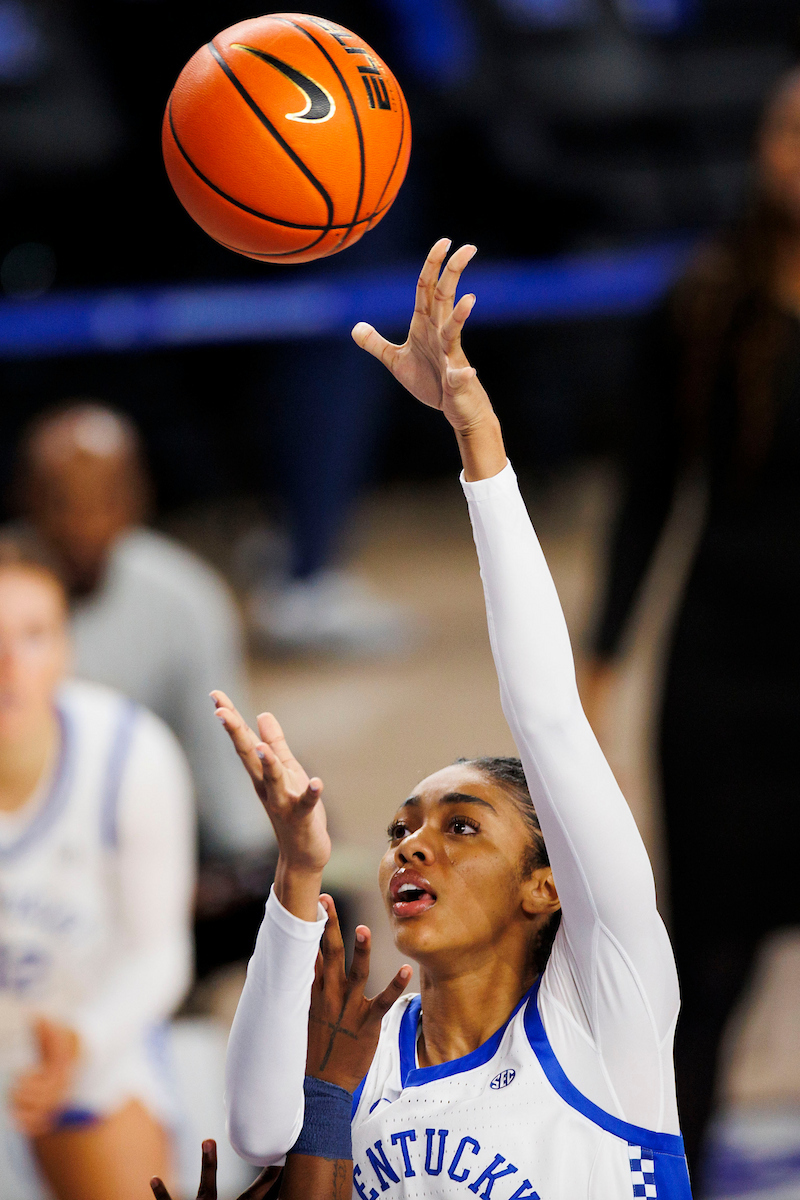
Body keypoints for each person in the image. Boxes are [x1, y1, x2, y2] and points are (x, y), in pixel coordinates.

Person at [213, 240, 693, 1198]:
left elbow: (549, 718)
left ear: (545, 887)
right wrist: (299, 876)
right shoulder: (373, 1047)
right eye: (402, 831)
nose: (409, 849)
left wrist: (479, 445)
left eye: (459, 826)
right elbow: (260, 1130)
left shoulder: (608, 1012)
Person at [583, 66, 800, 1180]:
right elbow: (647, 495)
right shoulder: (703, 297)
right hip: (724, 677)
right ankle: (670, 1171)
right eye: (783, 128)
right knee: (702, 971)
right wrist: (598, 667)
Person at [0, 535, 195, 1200]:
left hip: (88, 1046)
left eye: (32, 635)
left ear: (65, 650)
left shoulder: (128, 755)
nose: (8, 665)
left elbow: (160, 955)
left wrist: (82, 1042)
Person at [12, 403, 270, 860]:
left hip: (148, 843)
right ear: (26, 500)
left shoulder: (186, 602)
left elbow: (227, 791)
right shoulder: (7, 595)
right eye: (62, 502)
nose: (84, 523)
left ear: (138, 498)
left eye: (105, 500)